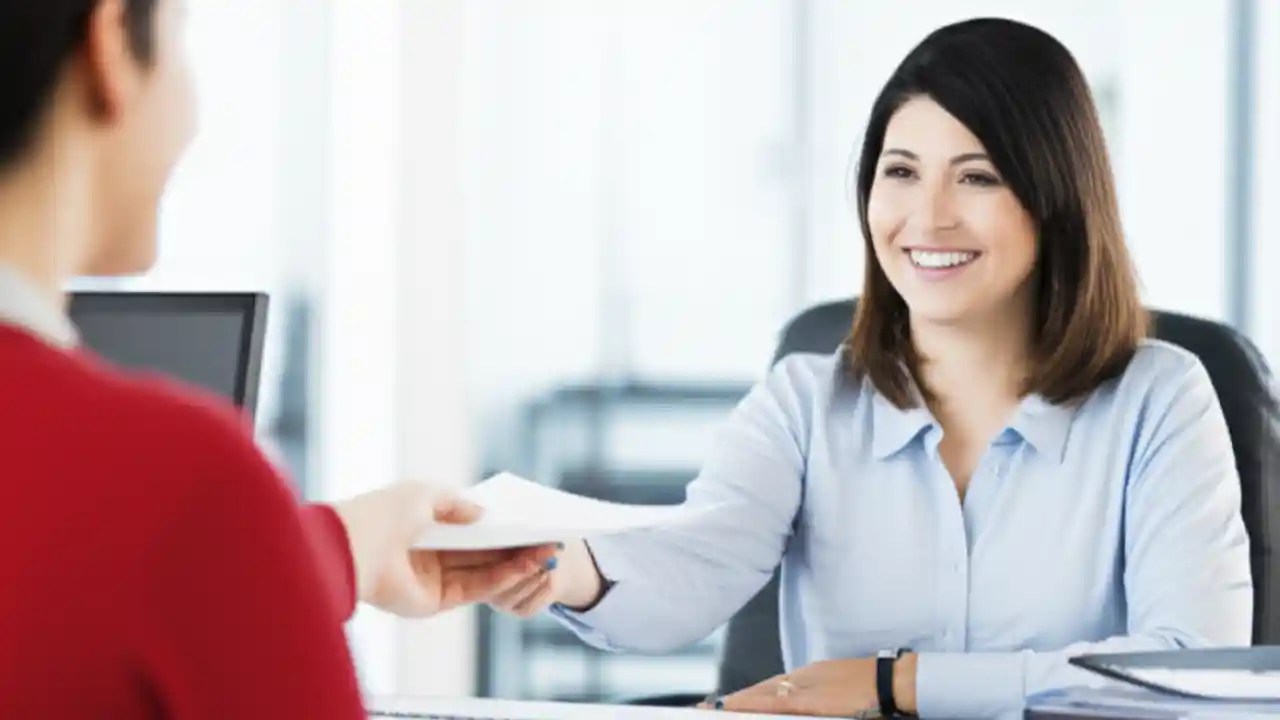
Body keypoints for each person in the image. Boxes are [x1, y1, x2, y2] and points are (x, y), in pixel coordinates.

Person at [489, 17, 1253, 719]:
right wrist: (560, 567)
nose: (928, 216)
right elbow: (696, 563)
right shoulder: (804, 403)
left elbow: (1184, 671)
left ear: (1055, 200)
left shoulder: (1162, 400)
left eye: (977, 176)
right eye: (901, 172)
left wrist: (895, 682)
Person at [0, 0, 556, 717]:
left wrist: (327, 549)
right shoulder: (175, 481)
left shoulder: (168, 516)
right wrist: (245, 543)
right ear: (111, 42)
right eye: (180, 36)